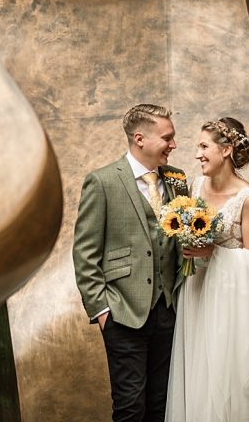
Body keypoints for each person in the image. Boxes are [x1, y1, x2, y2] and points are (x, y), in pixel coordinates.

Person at [73, 104, 188, 422]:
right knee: (129, 406)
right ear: (140, 138)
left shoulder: (177, 181)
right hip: (123, 314)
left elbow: (182, 243)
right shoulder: (103, 182)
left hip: (168, 310)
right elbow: (85, 254)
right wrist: (102, 313)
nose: (174, 145)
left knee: (162, 405)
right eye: (168, 138)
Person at [165, 117, 249, 421]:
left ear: (226, 149)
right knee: (198, 376)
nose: (197, 154)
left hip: (231, 305)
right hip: (197, 293)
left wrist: (213, 251)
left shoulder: (248, 198)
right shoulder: (194, 186)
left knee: (227, 380)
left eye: (204, 146)